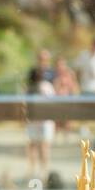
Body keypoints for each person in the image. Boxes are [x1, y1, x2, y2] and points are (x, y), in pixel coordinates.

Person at [26, 53, 56, 181]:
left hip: (40, 120)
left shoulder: (41, 87)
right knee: (40, 146)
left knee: (38, 146)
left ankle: (38, 171)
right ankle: (38, 171)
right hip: (40, 120)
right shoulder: (46, 87)